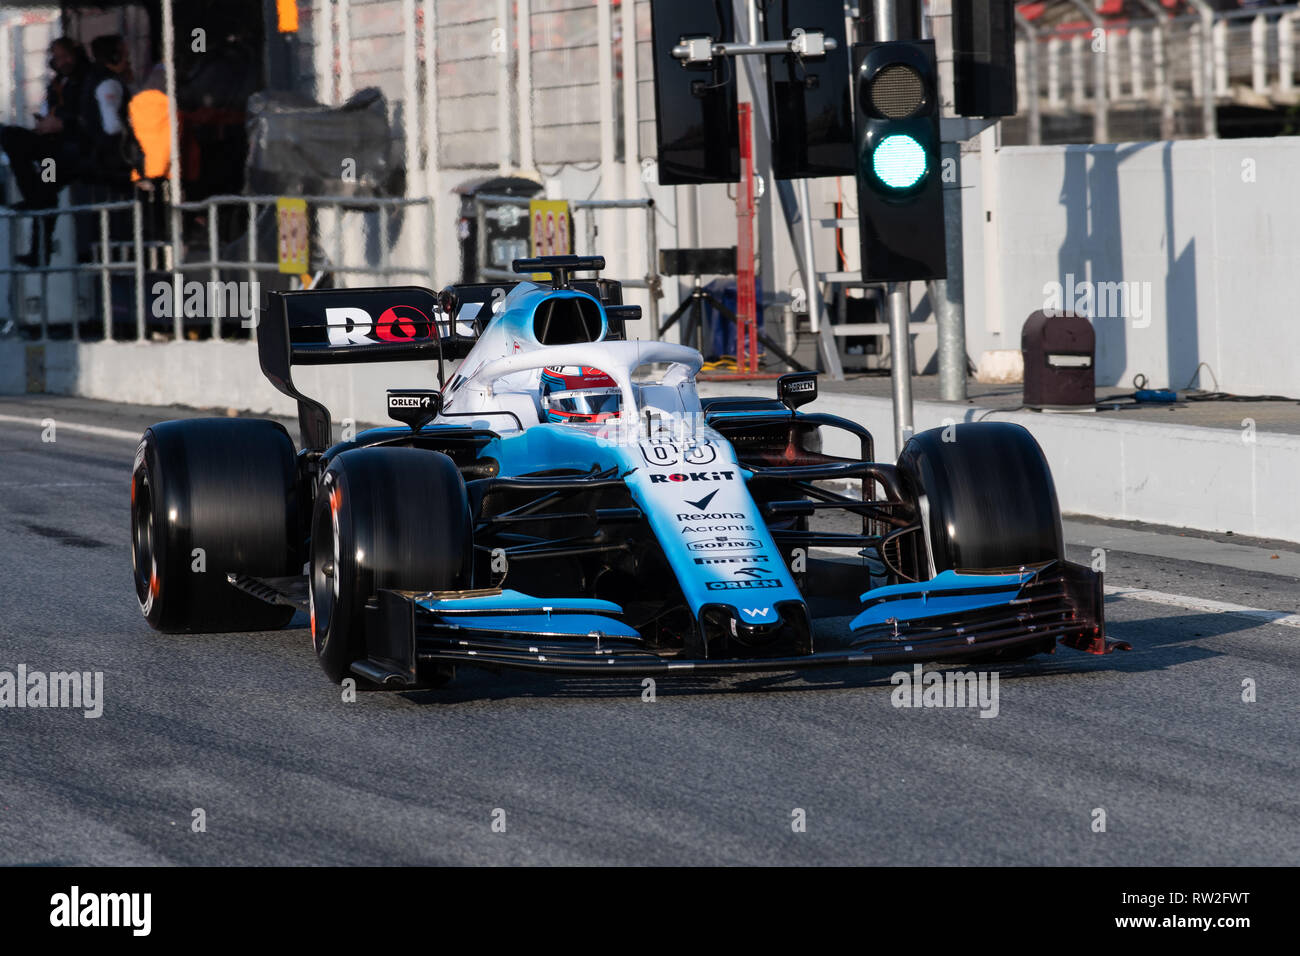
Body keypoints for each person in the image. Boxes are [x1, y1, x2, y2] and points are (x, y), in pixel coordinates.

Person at [0, 38, 88, 265]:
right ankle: (39, 248)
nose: (62, 62)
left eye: (65, 56)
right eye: (57, 58)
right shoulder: (58, 84)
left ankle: (39, 246)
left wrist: (62, 124)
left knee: (45, 190)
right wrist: (45, 123)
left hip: (75, 149)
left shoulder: (88, 80)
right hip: (53, 148)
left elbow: (90, 118)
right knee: (11, 138)